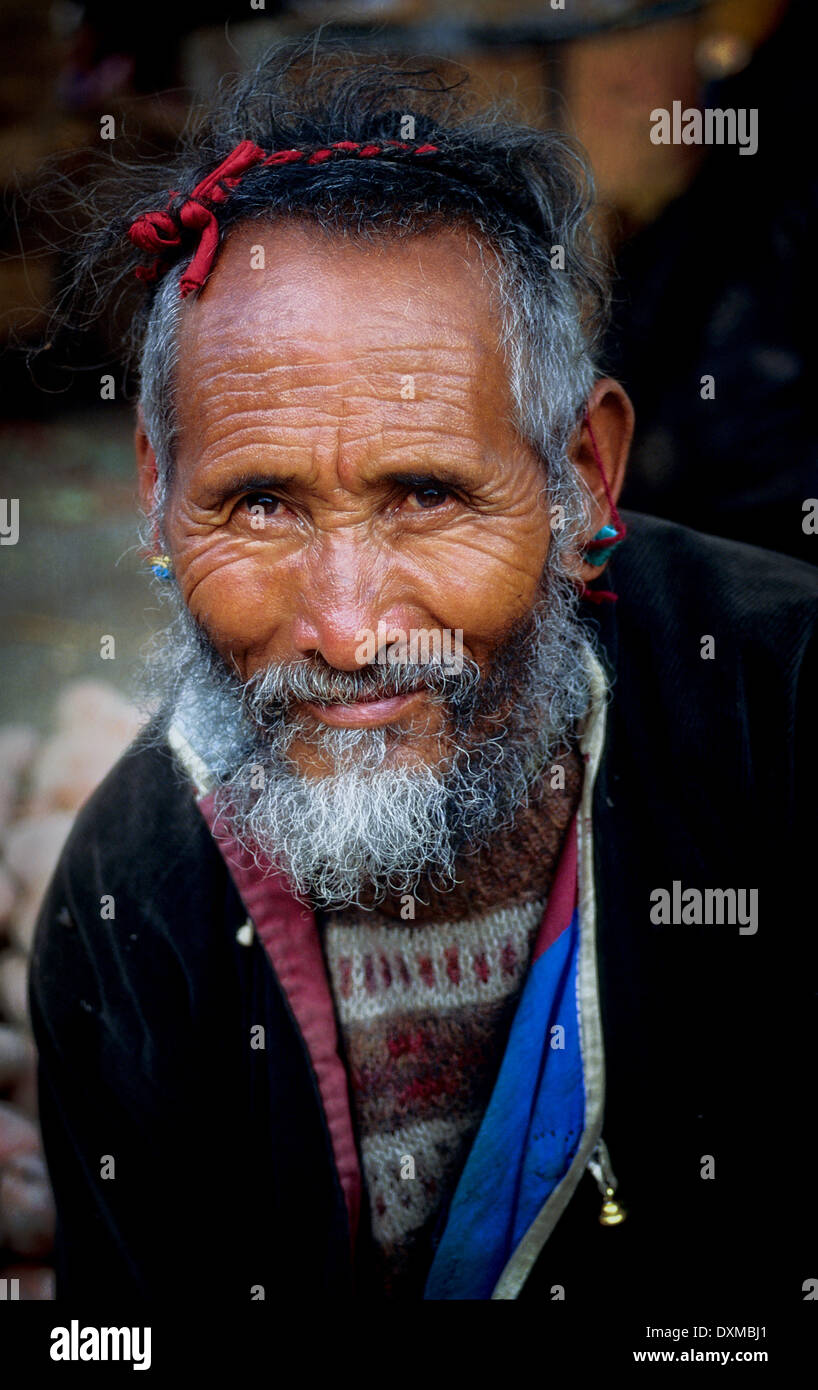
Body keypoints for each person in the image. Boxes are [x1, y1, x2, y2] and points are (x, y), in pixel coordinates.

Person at [29, 45, 817, 1309]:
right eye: (260, 502)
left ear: (582, 480)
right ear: (156, 495)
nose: (345, 631)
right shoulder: (132, 894)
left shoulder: (778, 708)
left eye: (427, 494)